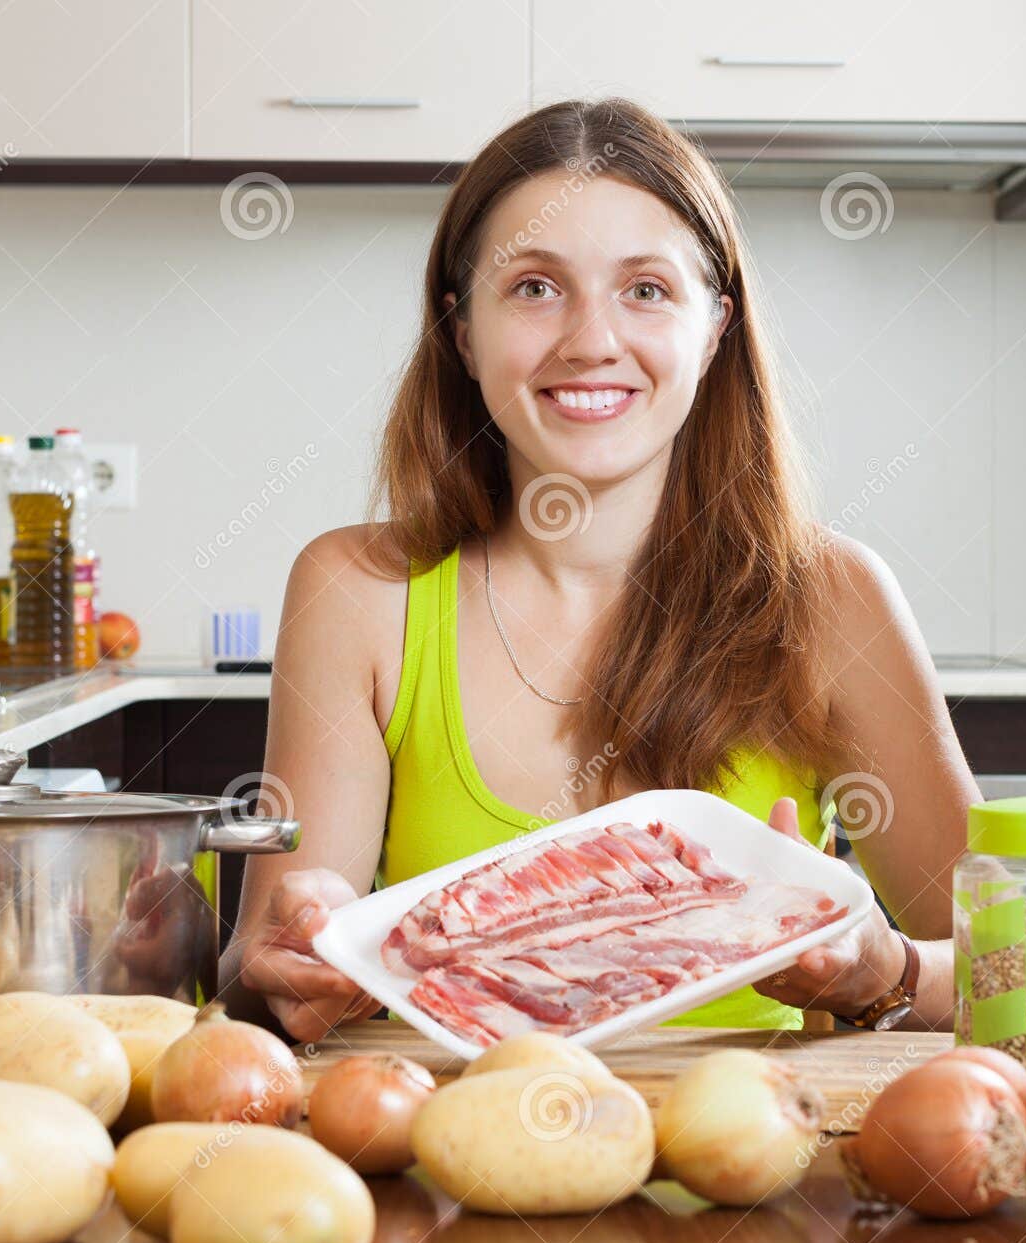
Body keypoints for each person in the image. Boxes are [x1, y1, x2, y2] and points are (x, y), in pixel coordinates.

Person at [221, 98, 977, 1042]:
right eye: (535, 287)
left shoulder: (828, 599)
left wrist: (884, 971)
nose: (590, 340)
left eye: (647, 290)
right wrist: (292, 965)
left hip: (763, 1169)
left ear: (714, 331)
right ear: (463, 333)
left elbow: (1021, 967)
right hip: (455, 1163)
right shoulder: (357, 592)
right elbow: (262, 983)